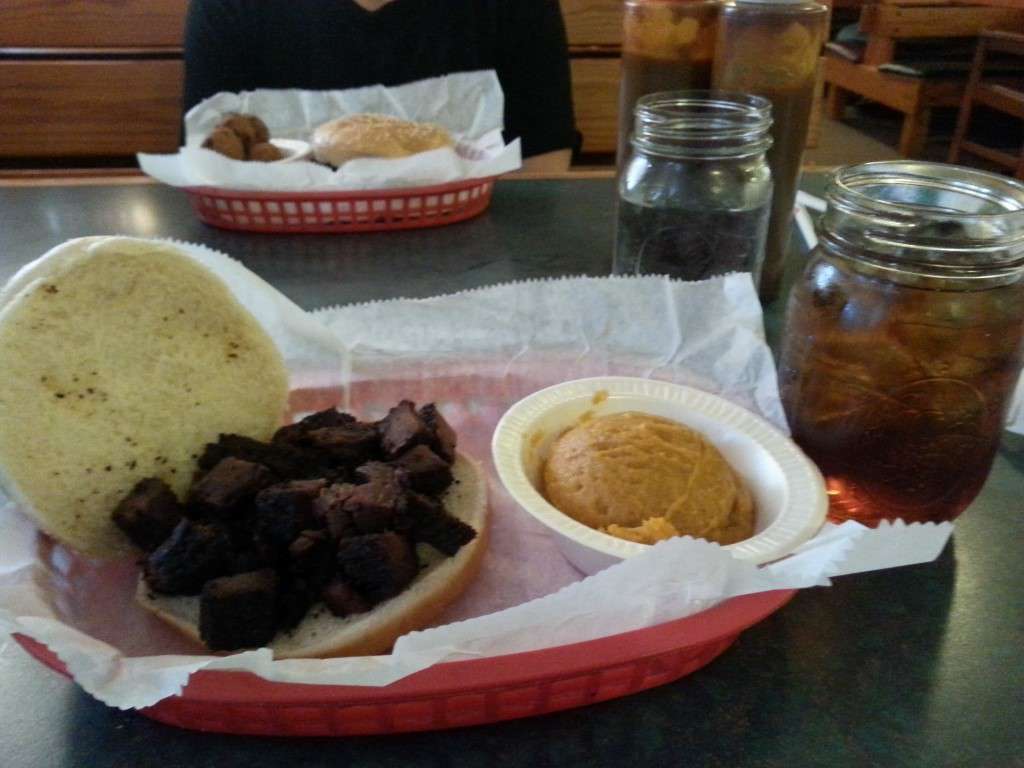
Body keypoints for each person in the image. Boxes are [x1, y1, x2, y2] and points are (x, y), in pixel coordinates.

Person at [183, 0, 576, 172]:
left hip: (477, 275)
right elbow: (208, 165)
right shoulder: (231, 7)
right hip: (273, 278)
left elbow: (542, 169)